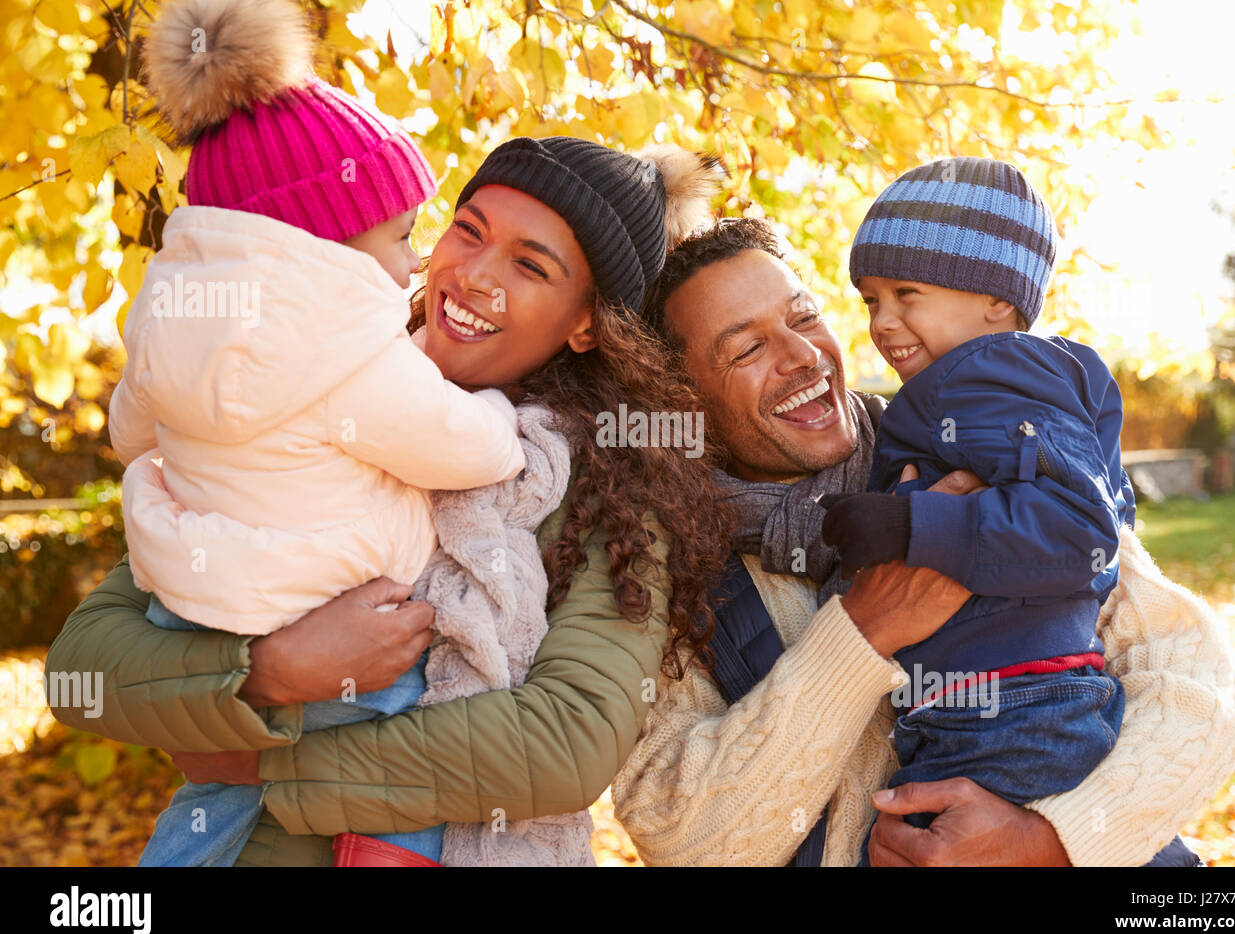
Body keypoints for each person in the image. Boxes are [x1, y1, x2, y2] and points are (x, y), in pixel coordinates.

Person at [47, 118, 730, 864]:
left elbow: (566, 743)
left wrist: (266, 763)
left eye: (531, 268)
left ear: (587, 326)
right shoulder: (305, 394)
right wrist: (272, 668)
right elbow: (88, 664)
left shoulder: (610, 492)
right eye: (467, 232)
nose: (472, 274)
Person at [612, 216, 1235, 866]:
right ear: (682, 396)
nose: (802, 355)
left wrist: (1053, 841)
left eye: (804, 318)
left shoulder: (962, 439)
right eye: (747, 349)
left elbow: (1202, 685)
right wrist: (862, 630)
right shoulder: (664, 564)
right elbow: (681, 833)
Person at [114, 0, 525, 867]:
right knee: (415, 751)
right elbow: (472, 448)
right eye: (401, 234)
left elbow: (129, 431)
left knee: (213, 791)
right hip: (350, 639)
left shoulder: (166, 321)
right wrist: (494, 408)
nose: (415, 262)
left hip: (195, 617)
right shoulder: (349, 347)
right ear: (323, 245)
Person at [819, 157, 1131, 847]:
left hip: (1016, 705)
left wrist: (911, 525)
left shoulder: (992, 370)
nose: (883, 321)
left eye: (907, 293)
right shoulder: (981, 382)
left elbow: (1081, 532)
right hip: (986, 704)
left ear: (997, 301)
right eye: (871, 300)